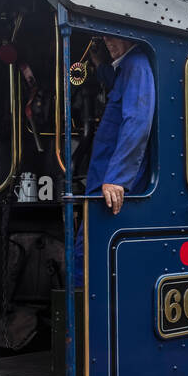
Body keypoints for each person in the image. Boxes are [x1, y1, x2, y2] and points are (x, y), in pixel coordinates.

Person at [74, 35, 155, 287]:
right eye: (105, 37)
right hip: (104, 179)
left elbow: (138, 121)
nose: (109, 41)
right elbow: (115, 84)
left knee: (87, 254)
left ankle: (81, 320)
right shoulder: (125, 68)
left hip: (112, 186)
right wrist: (99, 66)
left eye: (114, 36)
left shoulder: (137, 64)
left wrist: (117, 179)